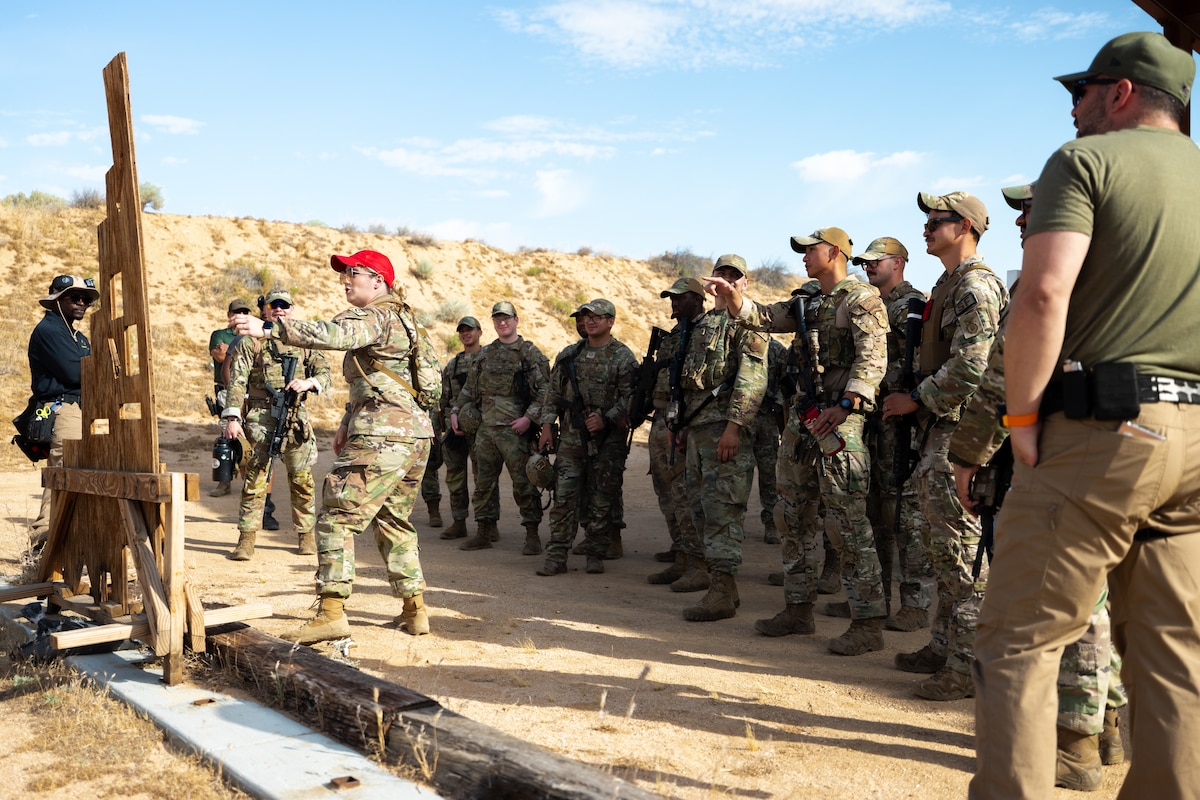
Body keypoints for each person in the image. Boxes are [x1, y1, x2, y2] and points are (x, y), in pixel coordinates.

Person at [972, 33, 1197, 787]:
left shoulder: (1086, 162)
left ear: (1123, 92)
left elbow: (1040, 295)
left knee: (1020, 643)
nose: (1074, 106)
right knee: (1175, 657)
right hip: (1197, 439)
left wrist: (1022, 420)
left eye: (1085, 89)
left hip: (1104, 430)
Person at [950, 181, 1127, 791]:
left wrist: (968, 455)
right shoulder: (1124, 274)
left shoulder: (1045, 278)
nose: (1022, 223)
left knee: (1059, 604)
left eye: (1031, 212)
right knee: (1102, 597)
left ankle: (1074, 747)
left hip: (1058, 454)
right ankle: (1104, 728)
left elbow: (1003, 376)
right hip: (1128, 451)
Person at [235, 249, 441, 643]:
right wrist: (348, 420)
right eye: (344, 274)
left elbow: (334, 335)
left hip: (382, 436)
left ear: (378, 281)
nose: (345, 280)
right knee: (393, 520)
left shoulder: (372, 316)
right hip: (414, 436)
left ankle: (330, 611)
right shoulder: (407, 320)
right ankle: (415, 610)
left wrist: (270, 329)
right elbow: (408, 383)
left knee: (334, 518)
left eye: (354, 273)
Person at [713, 230, 890, 655]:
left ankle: (867, 623)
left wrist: (848, 404)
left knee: (846, 520)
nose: (804, 258)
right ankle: (798, 609)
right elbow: (764, 317)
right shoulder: (807, 302)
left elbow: (873, 357)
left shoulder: (861, 299)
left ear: (835, 253)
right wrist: (731, 297)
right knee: (791, 515)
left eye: (810, 250)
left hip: (839, 421)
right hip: (804, 418)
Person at [879, 192, 1007, 699]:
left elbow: (975, 365)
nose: (927, 227)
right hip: (940, 425)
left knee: (961, 551)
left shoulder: (976, 285)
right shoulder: (947, 282)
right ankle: (943, 643)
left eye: (938, 221)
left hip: (960, 427)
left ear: (967, 227)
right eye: (927, 221)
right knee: (939, 545)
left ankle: (966, 665)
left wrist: (917, 399)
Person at [674, 255, 768, 622]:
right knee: (700, 507)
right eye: (720, 274)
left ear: (744, 283)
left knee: (723, 511)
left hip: (725, 430)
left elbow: (752, 378)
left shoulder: (749, 321)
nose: (726, 281)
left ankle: (722, 590)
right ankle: (721, 586)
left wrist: (734, 427)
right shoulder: (702, 323)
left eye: (734, 276)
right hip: (698, 430)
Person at [854, 237, 934, 632]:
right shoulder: (875, 307)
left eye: (876, 261)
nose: (868, 266)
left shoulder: (911, 306)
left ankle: (916, 603)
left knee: (905, 515)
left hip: (900, 423)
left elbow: (919, 364)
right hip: (874, 421)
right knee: (876, 513)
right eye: (864, 262)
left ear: (898, 263)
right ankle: (879, 599)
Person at [222, 289, 331, 560]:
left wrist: (308, 383)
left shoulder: (305, 342)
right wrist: (233, 417)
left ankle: (306, 535)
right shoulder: (251, 341)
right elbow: (237, 380)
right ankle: (246, 538)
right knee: (255, 478)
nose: (279, 310)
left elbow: (325, 375)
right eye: (274, 305)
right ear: (265, 310)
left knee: (302, 478)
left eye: (285, 305)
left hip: (295, 417)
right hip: (260, 416)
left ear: (292, 310)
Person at [536, 299, 637, 575]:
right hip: (570, 439)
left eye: (597, 316)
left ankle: (596, 551)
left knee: (601, 498)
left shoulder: (622, 357)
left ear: (610, 321)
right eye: (586, 316)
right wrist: (546, 426)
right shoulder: (569, 355)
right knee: (564, 497)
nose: (590, 321)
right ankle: (557, 555)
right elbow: (553, 394)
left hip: (607, 443)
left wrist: (606, 419)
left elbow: (632, 399)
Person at [450, 302, 549, 553]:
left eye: (506, 318)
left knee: (524, 484)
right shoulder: (485, 355)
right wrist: (455, 411)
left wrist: (529, 418)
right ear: (493, 323)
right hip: (486, 431)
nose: (502, 323)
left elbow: (546, 392)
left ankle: (532, 534)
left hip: (515, 432)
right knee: (483, 484)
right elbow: (469, 389)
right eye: (497, 319)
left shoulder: (529, 353)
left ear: (516, 320)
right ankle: (484, 531)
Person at [25, 275, 99, 552]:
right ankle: (43, 544)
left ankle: (58, 543)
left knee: (71, 474)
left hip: (78, 408)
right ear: (57, 300)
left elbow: (86, 370)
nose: (82, 303)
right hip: (62, 408)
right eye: (74, 297)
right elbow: (75, 372)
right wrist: (99, 367)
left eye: (86, 298)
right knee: (63, 473)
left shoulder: (76, 336)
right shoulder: (49, 330)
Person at [646, 278, 709, 591]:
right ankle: (681, 554)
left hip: (684, 423)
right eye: (671, 297)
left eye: (679, 297)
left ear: (696, 299)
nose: (673, 302)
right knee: (665, 490)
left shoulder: (704, 332)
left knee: (685, 493)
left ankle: (698, 562)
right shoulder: (672, 336)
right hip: (662, 420)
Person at [437, 317, 484, 540]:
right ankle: (459, 521)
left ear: (479, 332)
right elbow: (444, 399)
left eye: (470, 330)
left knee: (483, 477)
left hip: (481, 428)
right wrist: (442, 427)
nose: (466, 334)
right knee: (455, 476)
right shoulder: (453, 365)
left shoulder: (488, 360)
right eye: (462, 331)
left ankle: (487, 523)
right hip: (454, 429)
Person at [208, 298, 250, 497]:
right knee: (227, 435)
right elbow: (220, 356)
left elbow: (230, 355)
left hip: (249, 390)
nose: (240, 315)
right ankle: (224, 481)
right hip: (226, 390)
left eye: (244, 312)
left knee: (249, 436)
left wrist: (230, 350)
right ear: (229, 315)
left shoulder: (251, 335)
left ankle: (248, 483)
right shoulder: (219, 334)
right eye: (236, 312)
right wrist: (232, 353)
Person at [753, 337, 787, 544]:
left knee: (768, 474)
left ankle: (771, 522)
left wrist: (778, 404)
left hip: (767, 419)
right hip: (743, 419)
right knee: (738, 473)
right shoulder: (741, 344)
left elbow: (787, 382)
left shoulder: (777, 350)